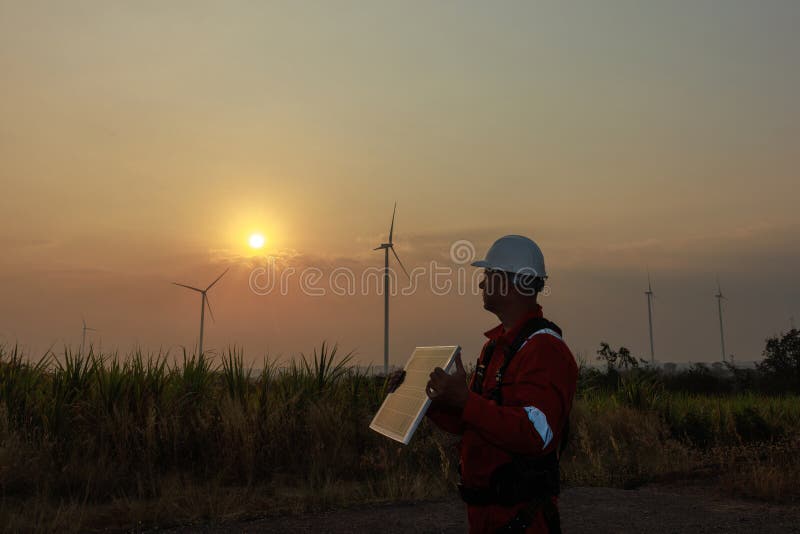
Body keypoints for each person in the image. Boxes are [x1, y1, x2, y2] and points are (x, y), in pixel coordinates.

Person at [425, 235, 579, 533]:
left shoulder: (545, 350)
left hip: (522, 520)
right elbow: (473, 421)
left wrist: (466, 401)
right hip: (486, 517)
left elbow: (536, 433)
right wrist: (430, 400)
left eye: (487, 275)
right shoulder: (495, 348)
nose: (481, 284)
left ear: (509, 284)